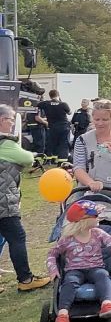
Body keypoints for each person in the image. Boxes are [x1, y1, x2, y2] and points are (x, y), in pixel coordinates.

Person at [46, 200, 111, 322]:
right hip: (74, 270)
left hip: (96, 267)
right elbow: (52, 253)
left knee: (102, 275)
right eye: (96, 216)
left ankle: (106, 304)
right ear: (84, 221)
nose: (99, 218)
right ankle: (63, 312)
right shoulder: (67, 239)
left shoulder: (98, 233)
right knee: (70, 281)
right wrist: (53, 269)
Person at [0, 104, 52, 292]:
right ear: (1, 120)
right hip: (3, 200)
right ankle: (26, 279)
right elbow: (28, 159)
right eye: (10, 119)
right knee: (17, 237)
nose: (13, 123)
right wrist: (32, 154)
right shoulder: (5, 143)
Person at [38, 89, 72, 160]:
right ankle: (62, 160)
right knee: (63, 143)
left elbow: (38, 104)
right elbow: (69, 113)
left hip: (52, 127)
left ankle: (51, 159)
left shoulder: (45, 103)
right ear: (58, 95)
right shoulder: (63, 104)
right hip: (63, 127)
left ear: (50, 96)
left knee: (52, 143)